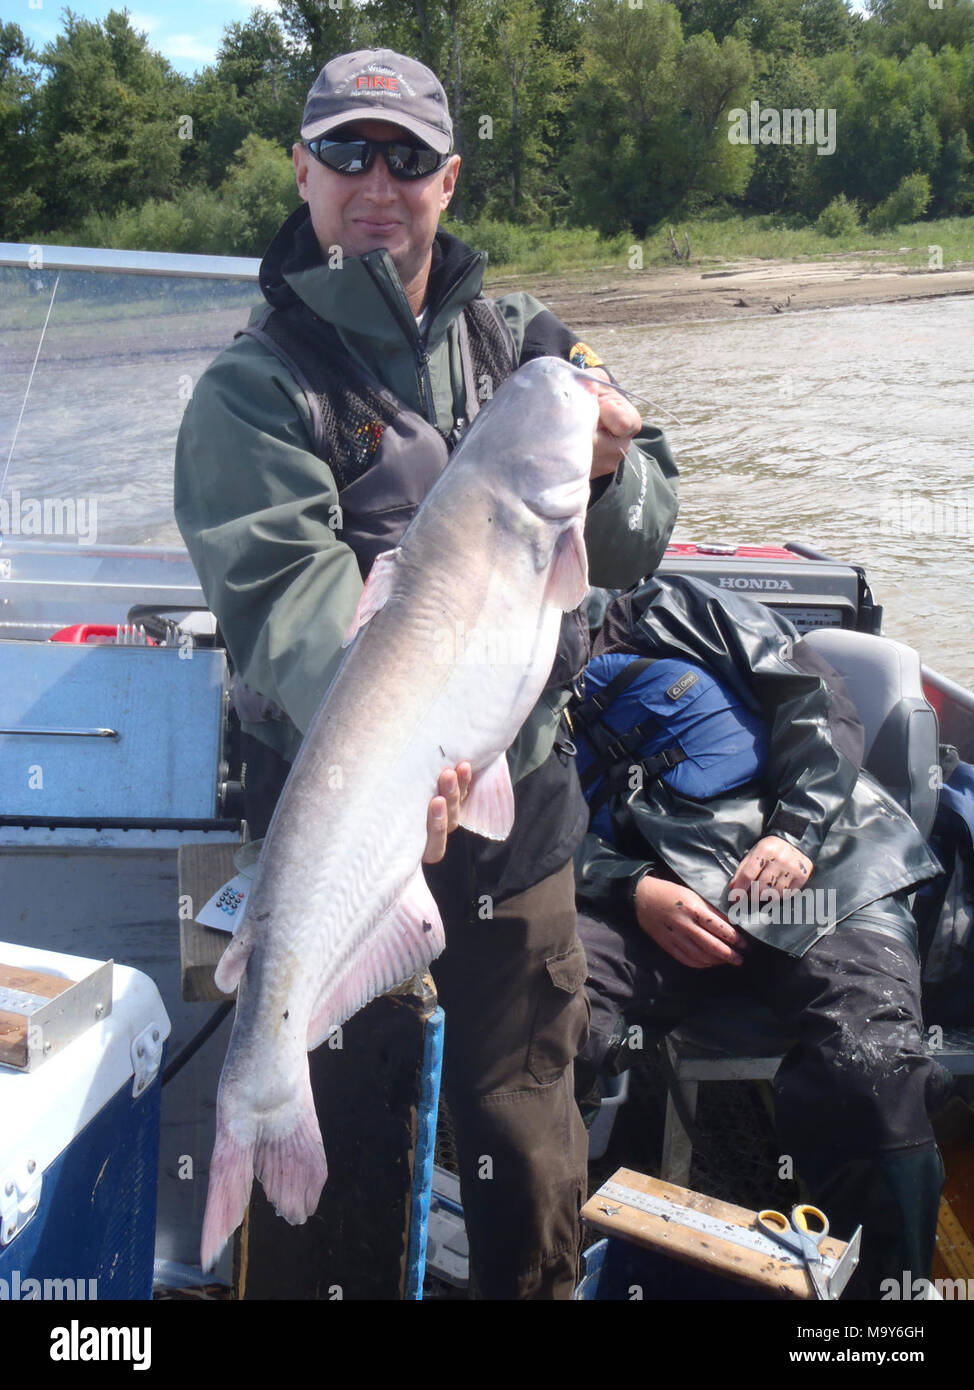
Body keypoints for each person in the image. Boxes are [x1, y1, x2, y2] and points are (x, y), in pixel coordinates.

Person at [174, 48, 679, 1299]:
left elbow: (643, 529)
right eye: (346, 151)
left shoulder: (533, 349)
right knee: (327, 1178)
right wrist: (401, 767)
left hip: (522, 840)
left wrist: (614, 470)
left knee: (523, 1153)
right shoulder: (249, 390)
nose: (376, 182)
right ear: (301, 172)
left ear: (448, 180)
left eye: (407, 156)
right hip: (340, 825)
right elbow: (287, 614)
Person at [572, 573, 953, 1298]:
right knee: (545, 1029)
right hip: (642, 906)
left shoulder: (671, 607)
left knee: (872, 1068)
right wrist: (629, 886)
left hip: (819, 874)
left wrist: (795, 831)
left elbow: (814, 701)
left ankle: (884, 1310)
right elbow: (513, 842)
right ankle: (554, 1259)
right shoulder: (492, 689)